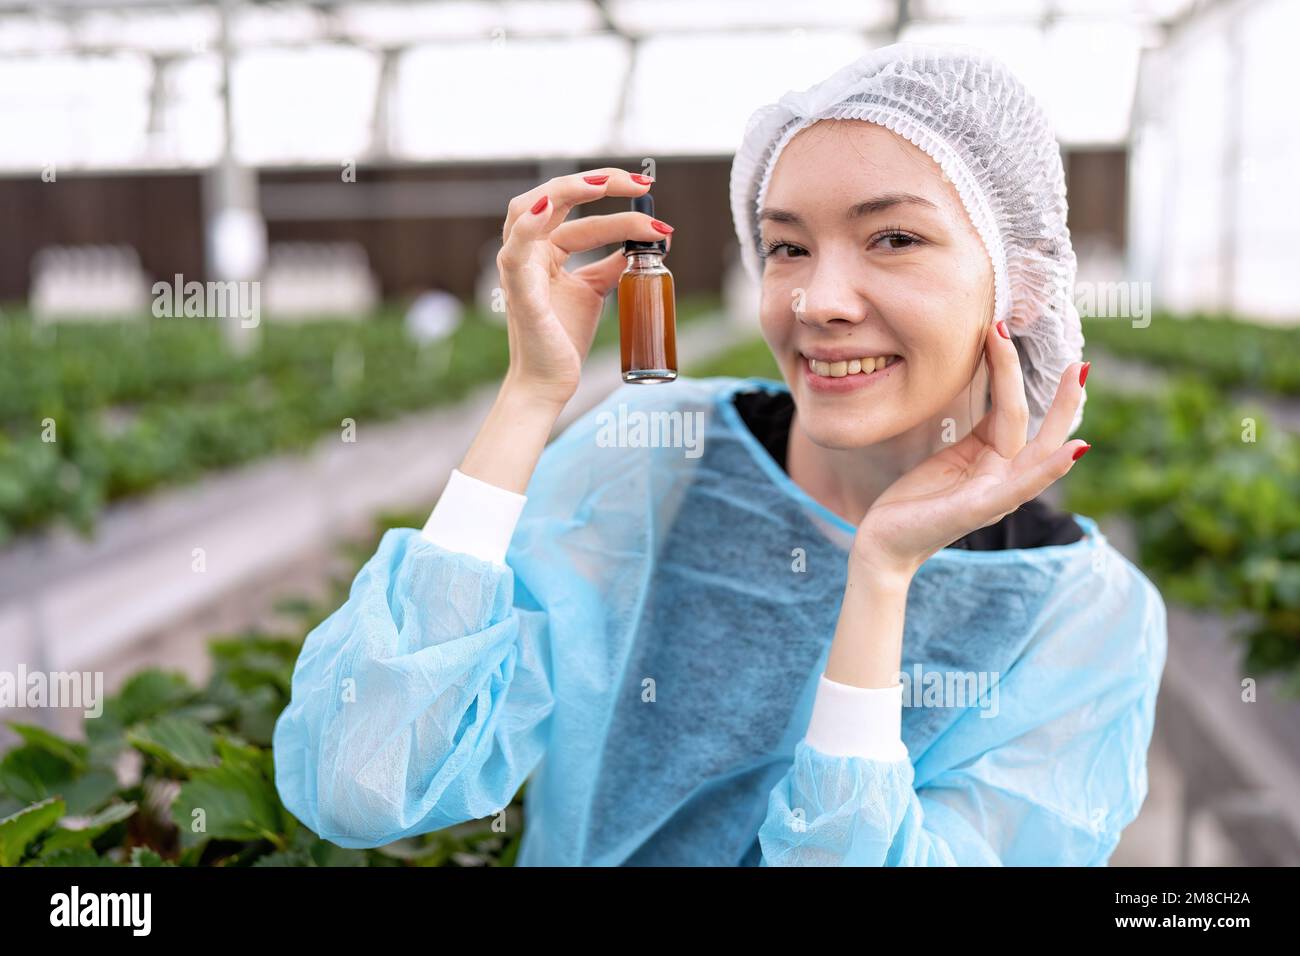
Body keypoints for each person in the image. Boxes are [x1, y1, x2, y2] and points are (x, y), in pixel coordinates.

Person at [272, 42, 1167, 866]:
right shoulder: (654, 465)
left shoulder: (1082, 617)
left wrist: (881, 575)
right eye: (787, 247)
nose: (817, 299)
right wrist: (531, 395)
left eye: (893, 237)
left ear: (1028, 281)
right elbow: (362, 780)